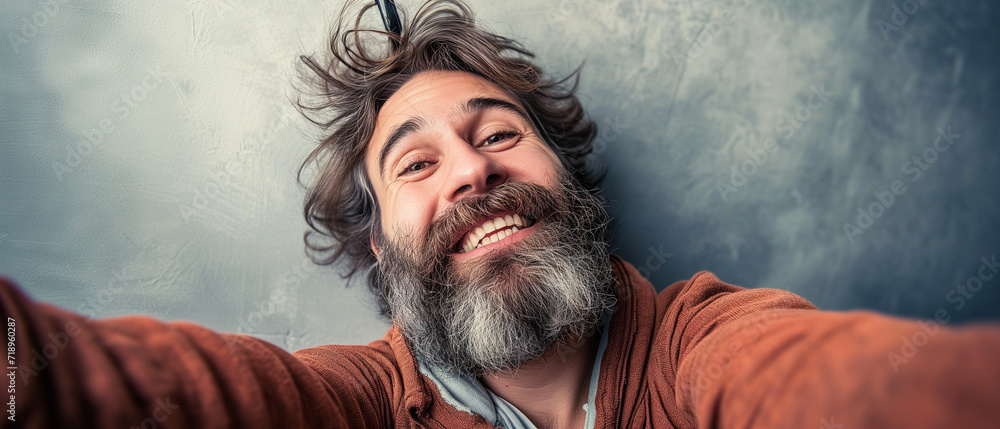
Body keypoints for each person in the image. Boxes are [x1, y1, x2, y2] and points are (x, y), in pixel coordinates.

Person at [3, 0, 1000, 428]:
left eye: (496, 133)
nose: (471, 175)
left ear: (563, 175)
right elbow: (192, 398)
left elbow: (829, 387)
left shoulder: (701, 338)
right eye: (416, 163)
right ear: (381, 249)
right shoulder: (360, 403)